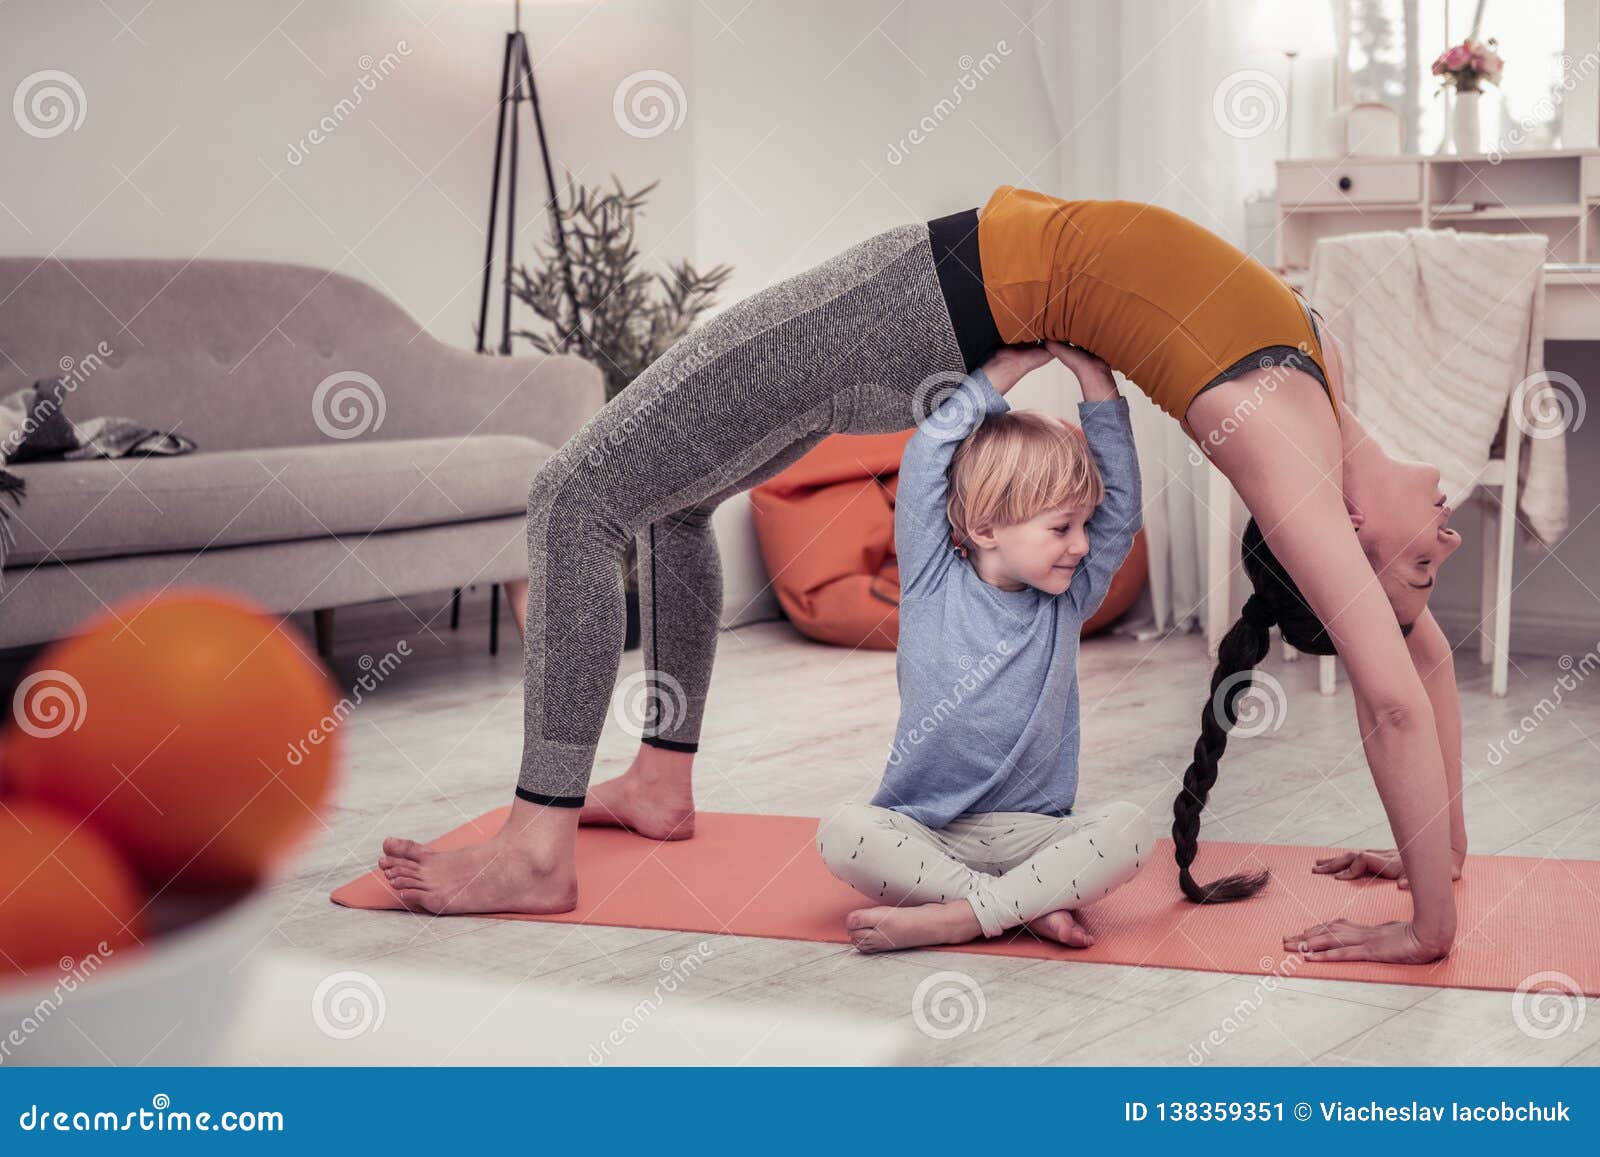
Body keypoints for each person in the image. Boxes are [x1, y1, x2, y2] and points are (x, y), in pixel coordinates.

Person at [380, 186, 1465, 969]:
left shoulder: (1276, 440)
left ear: (1345, 531)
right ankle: (659, 781)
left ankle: (534, 846)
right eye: (1430, 565)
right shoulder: (1321, 386)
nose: (1448, 542)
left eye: (1415, 564)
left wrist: (1426, 925)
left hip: (924, 306)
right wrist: (1441, 852)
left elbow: (1386, 693)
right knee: (664, 496)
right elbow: (1417, 655)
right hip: (942, 299)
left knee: (572, 497)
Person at [816, 342, 1151, 953]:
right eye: (1061, 527)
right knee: (843, 832)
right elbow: (926, 456)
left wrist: (1093, 377)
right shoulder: (931, 581)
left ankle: (959, 917)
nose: (1081, 545)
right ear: (986, 528)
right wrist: (1009, 366)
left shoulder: (1067, 597)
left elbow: (1122, 510)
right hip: (926, 830)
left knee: (1129, 830)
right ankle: (1023, 906)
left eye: (1083, 526)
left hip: (1034, 834)